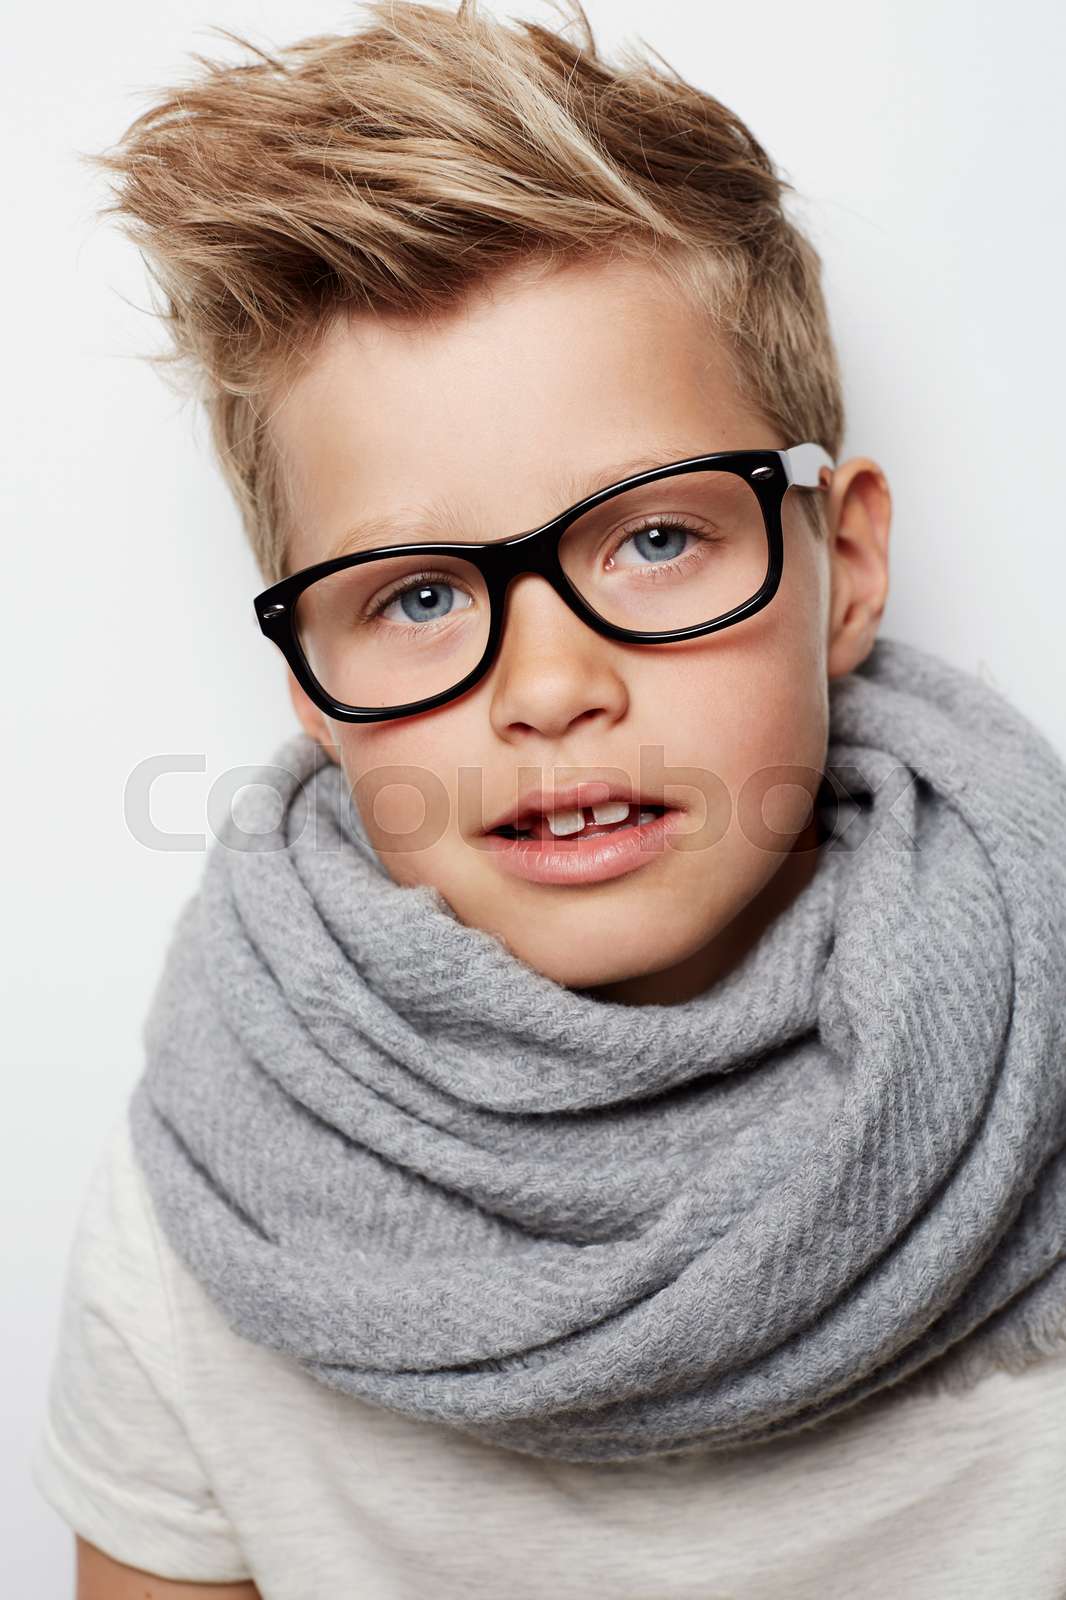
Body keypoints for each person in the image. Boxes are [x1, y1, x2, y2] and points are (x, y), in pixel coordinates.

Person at [31, 2, 1066, 1597]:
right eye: (417, 596)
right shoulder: (213, 1201)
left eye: (656, 539)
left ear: (839, 568)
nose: (548, 687)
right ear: (310, 684)